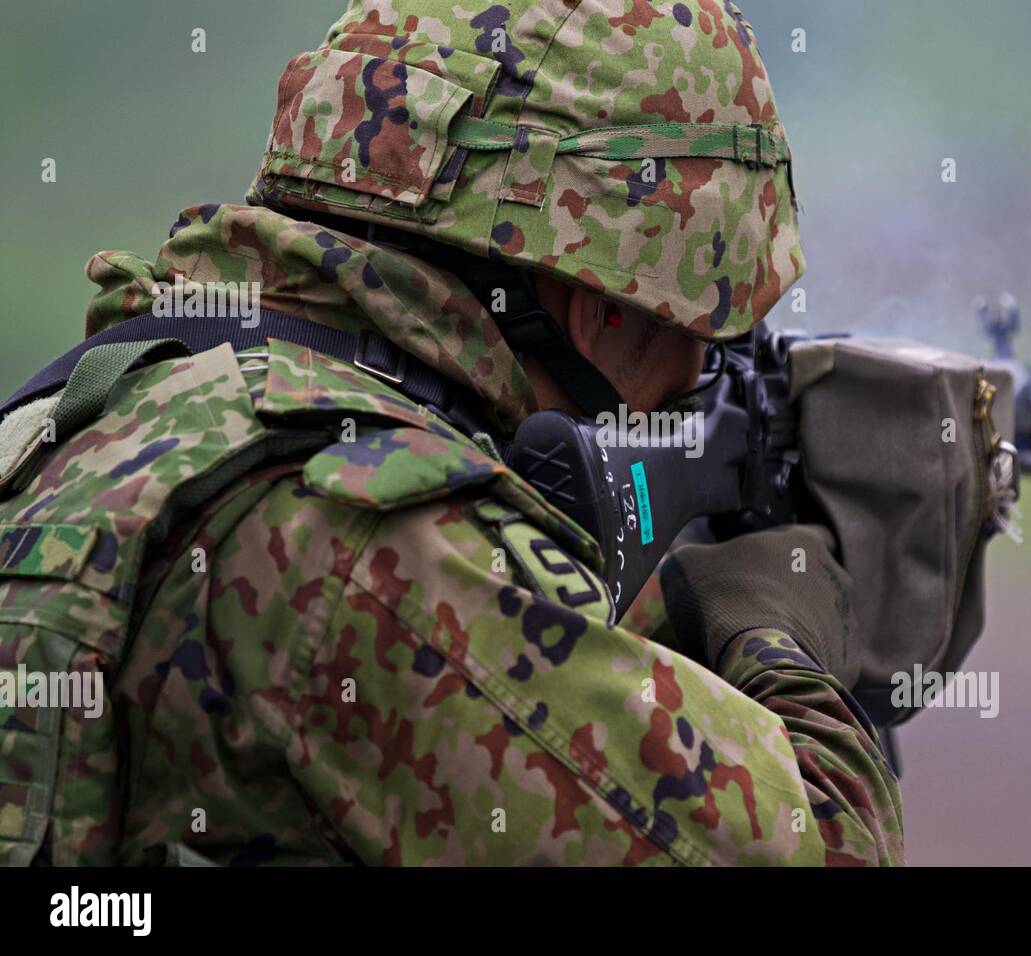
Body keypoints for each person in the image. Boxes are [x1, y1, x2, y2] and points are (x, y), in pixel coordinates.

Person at [0, 0, 901, 866]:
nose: (698, 375)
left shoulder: (108, 403)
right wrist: (775, 628)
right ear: (602, 310)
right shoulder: (371, 535)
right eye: (702, 336)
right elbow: (831, 848)